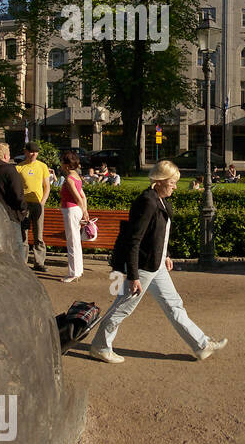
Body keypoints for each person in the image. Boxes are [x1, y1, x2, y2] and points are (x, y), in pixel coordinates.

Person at [89, 161, 227, 365]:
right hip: (144, 267)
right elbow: (134, 240)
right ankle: (100, 346)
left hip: (156, 264)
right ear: (160, 181)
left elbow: (157, 235)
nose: (175, 186)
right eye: (172, 182)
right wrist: (133, 276)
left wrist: (166, 254)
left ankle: (201, 345)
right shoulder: (148, 201)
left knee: (174, 305)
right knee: (123, 307)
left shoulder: (159, 200)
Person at [14, 143, 51, 273]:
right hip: (24, 205)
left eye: (36, 152)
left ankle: (39, 262)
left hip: (38, 204)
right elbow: (16, 187)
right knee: (23, 235)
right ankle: (23, 262)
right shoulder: (19, 167)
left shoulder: (42, 166)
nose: (34, 154)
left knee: (38, 235)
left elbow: (47, 186)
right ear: (26, 152)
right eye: (31, 152)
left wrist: (42, 203)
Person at [55, 152, 91, 282]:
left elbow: (78, 198)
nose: (60, 164)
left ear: (66, 164)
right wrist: (84, 211)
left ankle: (73, 273)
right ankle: (78, 270)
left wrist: (84, 211)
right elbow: (83, 197)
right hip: (75, 211)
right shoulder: (76, 176)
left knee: (72, 241)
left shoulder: (69, 179)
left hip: (71, 211)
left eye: (62, 162)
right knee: (75, 241)